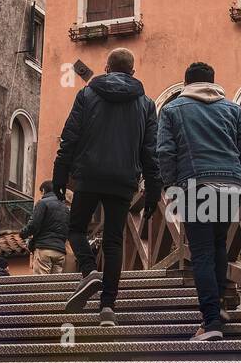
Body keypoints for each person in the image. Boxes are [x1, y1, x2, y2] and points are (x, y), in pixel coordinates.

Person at [52, 47, 161, 326]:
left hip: (88, 176)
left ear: (107, 68)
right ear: (133, 72)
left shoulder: (87, 94)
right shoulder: (147, 104)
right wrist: (153, 189)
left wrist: (60, 175)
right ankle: (108, 308)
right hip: (123, 181)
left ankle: (88, 271)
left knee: (75, 229)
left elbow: (70, 137)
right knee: (114, 242)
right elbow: (151, 152)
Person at [156, 61, 241, 340]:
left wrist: (171, 186)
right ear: (213, 82)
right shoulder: (233, 109)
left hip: (195, 187)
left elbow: (165, 151)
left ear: (186, 83)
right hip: (231, 187)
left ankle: (211, 322)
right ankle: (220, 305)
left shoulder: (173, 109)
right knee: (218, 246)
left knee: (200, 252)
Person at [19, 181, 70, 275]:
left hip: (44, 248)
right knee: (56, 285)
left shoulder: (43, 203)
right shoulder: (65, 208)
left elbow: (34, 224)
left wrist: (23, 233)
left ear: (43, 190)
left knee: (41, 283)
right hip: (60, 251)